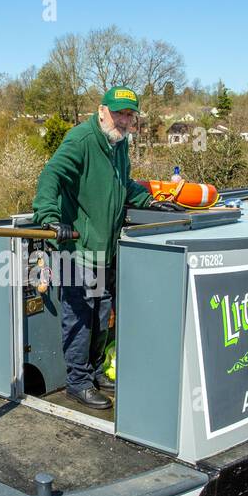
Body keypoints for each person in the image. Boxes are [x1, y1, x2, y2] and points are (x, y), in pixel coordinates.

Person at [31, 86, 178, 410]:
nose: (124, 120)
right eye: (118, 113)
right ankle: (77, 382)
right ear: (101, 111)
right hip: (78, 248)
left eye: (129, 115)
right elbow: (51, 176)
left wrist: (151, 202)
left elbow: (123, 185)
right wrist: (50, 217)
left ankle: (96, 372)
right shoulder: (82, 140)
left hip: (104, 249)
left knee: (101, 315)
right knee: (79, 318)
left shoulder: (118, 144)